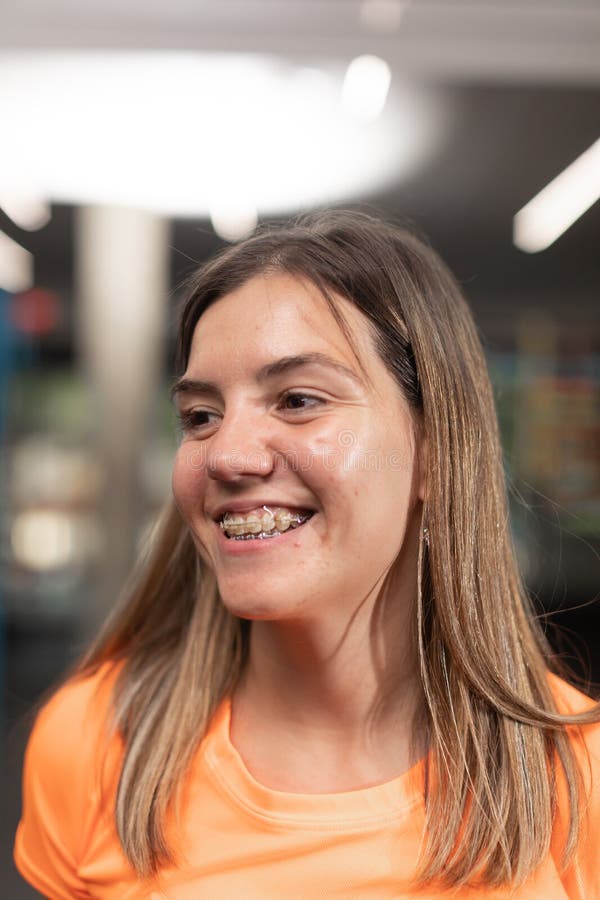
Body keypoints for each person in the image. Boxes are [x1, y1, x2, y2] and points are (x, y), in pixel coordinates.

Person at [14, 210, 600, 899]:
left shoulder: (580, 777)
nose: (226, 455)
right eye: (201, 416)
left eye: (297, 400)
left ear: (436, 451)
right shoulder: (95, 742)